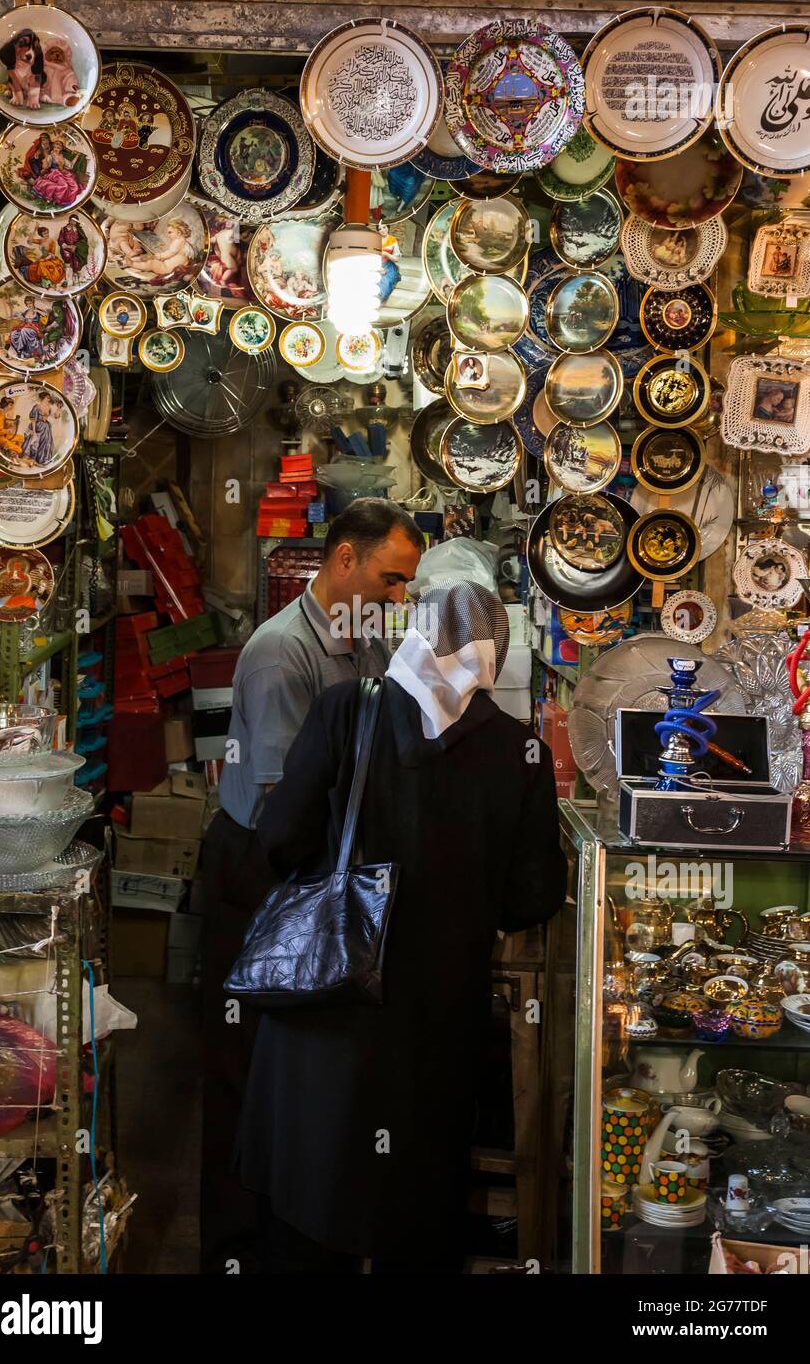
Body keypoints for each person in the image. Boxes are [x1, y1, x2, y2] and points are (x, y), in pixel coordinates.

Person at [240, 581, 568, 1273]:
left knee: (309, 1190)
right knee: (416, 1200)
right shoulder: (522, 751)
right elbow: (532, 895)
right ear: (493, 658)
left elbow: (280, 838)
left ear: (414, 636)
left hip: (328, 995)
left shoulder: (343, 711)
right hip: (437, 1012)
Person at [200, 497, 424, 1275]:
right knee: (241, 1064)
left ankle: (294, 1231)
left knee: (290, 1068)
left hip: (308, 862)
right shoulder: (280, 652)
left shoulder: (358, 644)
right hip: (257, 867)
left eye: (407, 587)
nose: (399, 599)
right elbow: (277, 801)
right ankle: (235, 1250)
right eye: (392, 581)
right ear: (344, 561)